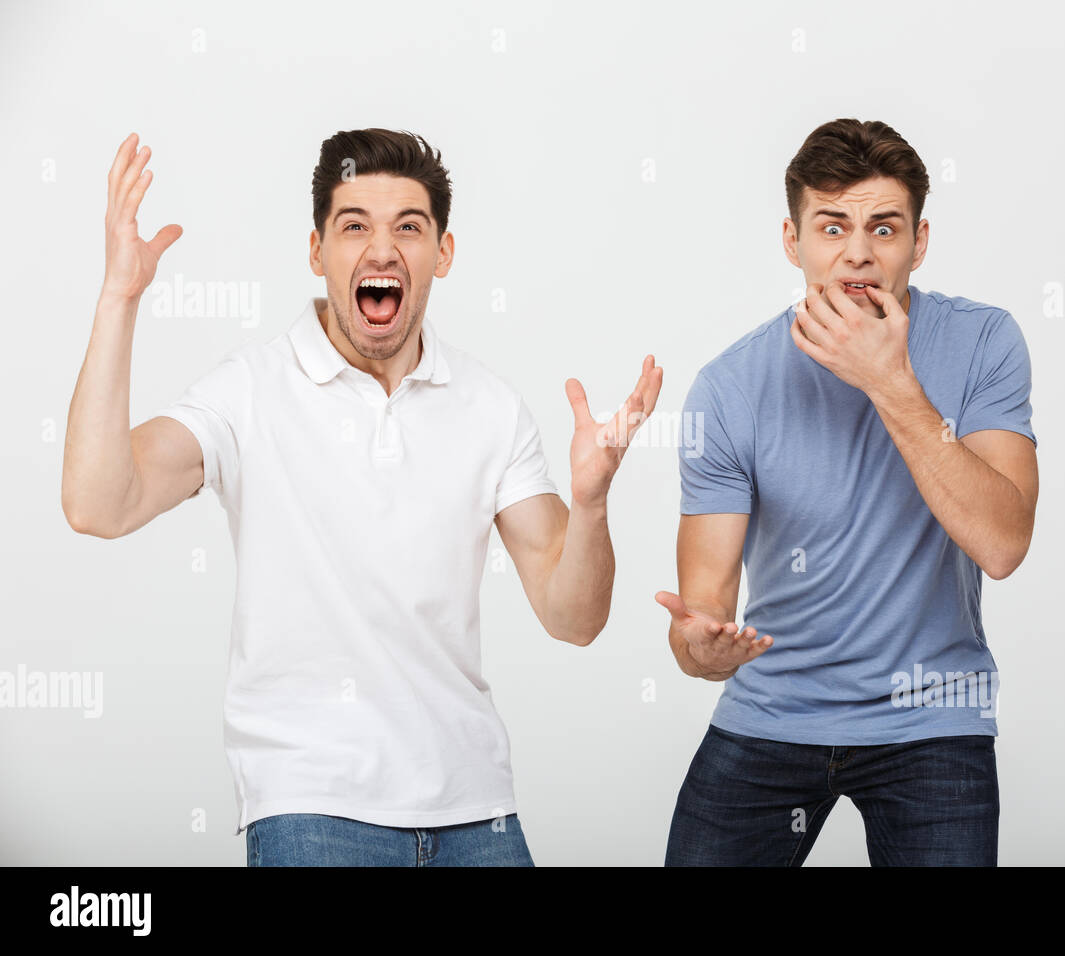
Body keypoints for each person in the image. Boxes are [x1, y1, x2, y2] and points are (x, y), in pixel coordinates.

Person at [62, 128, 662, 867]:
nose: (382, 251)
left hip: (478, 811)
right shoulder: (248, 391)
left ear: (443, 253)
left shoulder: (490, 407)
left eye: (408, 227)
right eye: (354, 226)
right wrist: (120, 296)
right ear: (317, 252)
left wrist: (592, 504)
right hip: (310, 805)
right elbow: (98, 502)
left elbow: (575, 618)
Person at [656, 118, 1038, 866]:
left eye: (883, 227)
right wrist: (702, 648)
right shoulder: (730, 387)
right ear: (794, 242)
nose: (858, 251)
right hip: (775, 709)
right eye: (832, 226)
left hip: (934, 718)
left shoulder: (985, 342)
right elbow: (699, 617)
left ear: (919, 242)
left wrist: (889, 381)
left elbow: (1003, 543)